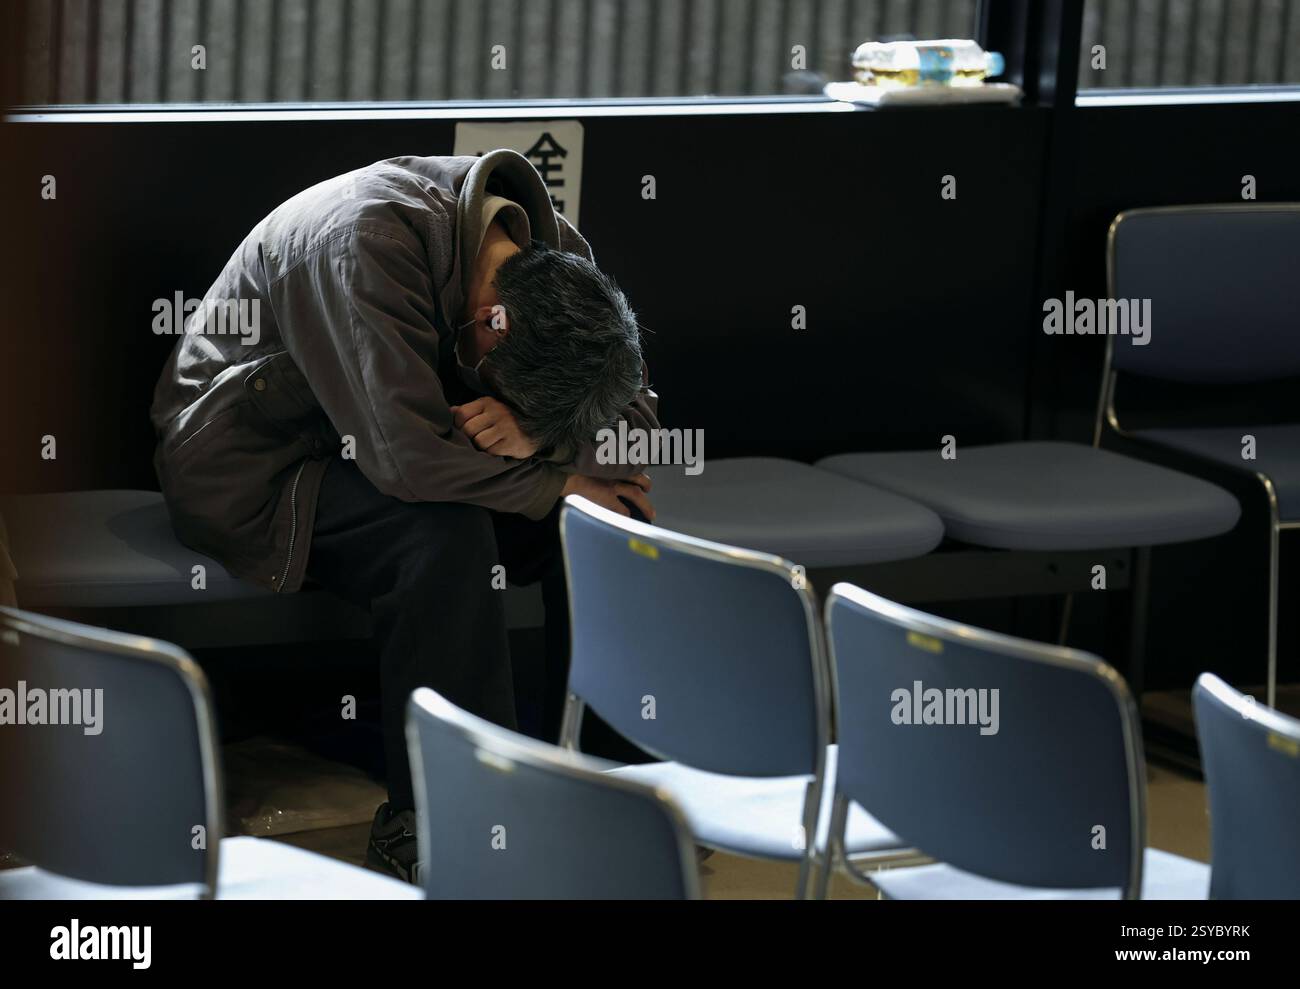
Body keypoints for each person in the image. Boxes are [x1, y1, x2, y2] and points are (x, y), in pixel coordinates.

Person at [150, 151, 658, 881]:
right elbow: (407, 459)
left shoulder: (559, 262)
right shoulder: (363, 244)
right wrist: (562, 481)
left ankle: (618, 787)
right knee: (444, 536)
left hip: (401, 442)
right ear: (490, 328)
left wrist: (541, 436)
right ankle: (446, 816)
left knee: (616, 516)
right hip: (261, 463)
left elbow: (638, 421)